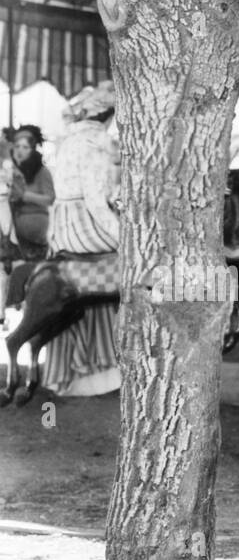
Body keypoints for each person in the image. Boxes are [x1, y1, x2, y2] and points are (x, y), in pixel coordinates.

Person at [44, 84, 123, 397]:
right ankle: (112, 363)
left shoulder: (69, 141)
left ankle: (83, 369)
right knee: (143, 258)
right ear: (107, 115)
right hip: (85, 226)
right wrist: (123, 234)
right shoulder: (96, 142)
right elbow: (95, 200)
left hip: (63, 226)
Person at [7, 125, 55, 260]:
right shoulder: (13, 171)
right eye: (17, 146)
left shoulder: (42, 171)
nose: (20, 151)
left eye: (25, 147)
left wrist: (24, 196)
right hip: (15, 230)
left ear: (32, 150)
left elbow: (50, 198)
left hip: (35, 230)